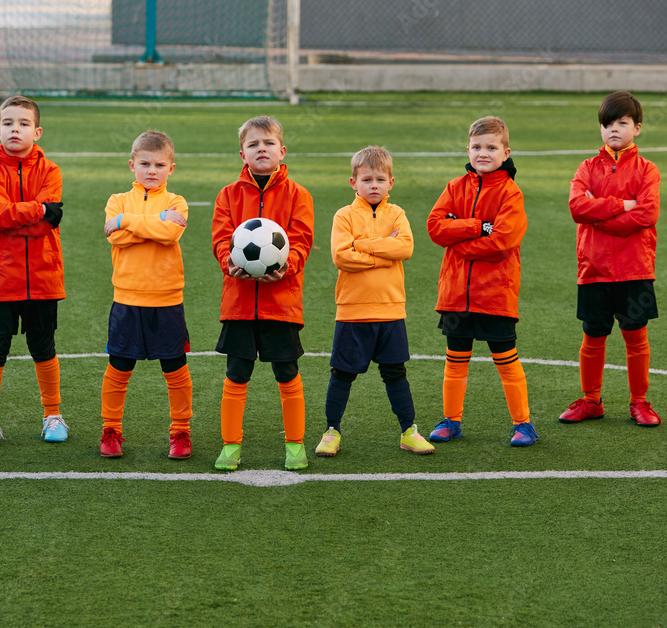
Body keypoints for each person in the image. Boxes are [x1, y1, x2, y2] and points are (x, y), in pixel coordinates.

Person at [315, 146, 435, 457]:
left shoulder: (397, 214)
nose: (374, 185)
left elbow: (405, 248)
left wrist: (364, 246)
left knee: (395, 372)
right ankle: (331, 431)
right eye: (367, 179)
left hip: (391, 309)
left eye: (380, 179)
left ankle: (409, 431)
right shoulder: (344, 215)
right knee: (342, 373)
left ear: (391, 183)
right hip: (353, 310)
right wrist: (383, 254)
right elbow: (342, 256)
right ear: (353, 182)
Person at [426, 116, 538, 447]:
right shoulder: (454, 187)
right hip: (456, 294)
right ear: (468, 149)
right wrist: (476, 226)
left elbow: (502, 242)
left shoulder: (510, 193)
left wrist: (458, 240)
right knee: (455, 359)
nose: (483, 153)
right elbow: (435, 227)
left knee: (506, 359)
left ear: (506, 152)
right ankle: (451, 420)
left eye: (491, 147)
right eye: (477, 147)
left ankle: (524, 424)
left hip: (495, 295)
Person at [211, 116, 314, 471]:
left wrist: (289, 265)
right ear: (243, 153)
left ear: (281, 151)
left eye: (268, 143)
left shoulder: (298, 195)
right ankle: (230, 445)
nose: (261, 149)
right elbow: (222, 239)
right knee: (237, 372)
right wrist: (229, 263)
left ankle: (295, 444)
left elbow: (301, 240)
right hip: (239, 303)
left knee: (286, 371)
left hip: (281, 303)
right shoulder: (228, 195)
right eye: (253, 144)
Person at [0, 95, 66, 448]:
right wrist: (34, 211)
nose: (15, 129)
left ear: (36, 132)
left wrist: (6, 218)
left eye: (24, 124)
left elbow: (43, 223)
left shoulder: (50, 170)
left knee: (44, 347)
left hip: (43, 276)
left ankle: (52, 415)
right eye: (9, 123)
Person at [560, 91, 662, 427]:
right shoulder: (587, 168)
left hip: (635, 269)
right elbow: (577, 208)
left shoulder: (647, 170)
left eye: (622, 123)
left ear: (638, 128)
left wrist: (599, 214)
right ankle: (591, 401)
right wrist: (622, 205)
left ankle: (640, 402)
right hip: (595, 268)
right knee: (593, 336)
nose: (614, 129)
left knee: (636, 337)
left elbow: (647, 214)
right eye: (608, 123)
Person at [100, 130, 193, 459]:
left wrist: (130, 224)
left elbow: (169, 235)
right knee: (119, 366)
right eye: (144, 164)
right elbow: (116, 237)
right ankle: (111, 429)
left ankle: (180, 431)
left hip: (166, 300)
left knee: (175, 368)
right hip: (127, 299)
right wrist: (138, 220)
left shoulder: (176, 203)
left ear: (171, 168)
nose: (152, 170)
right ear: (131, 165)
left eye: (159, 165)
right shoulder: (117, 201)